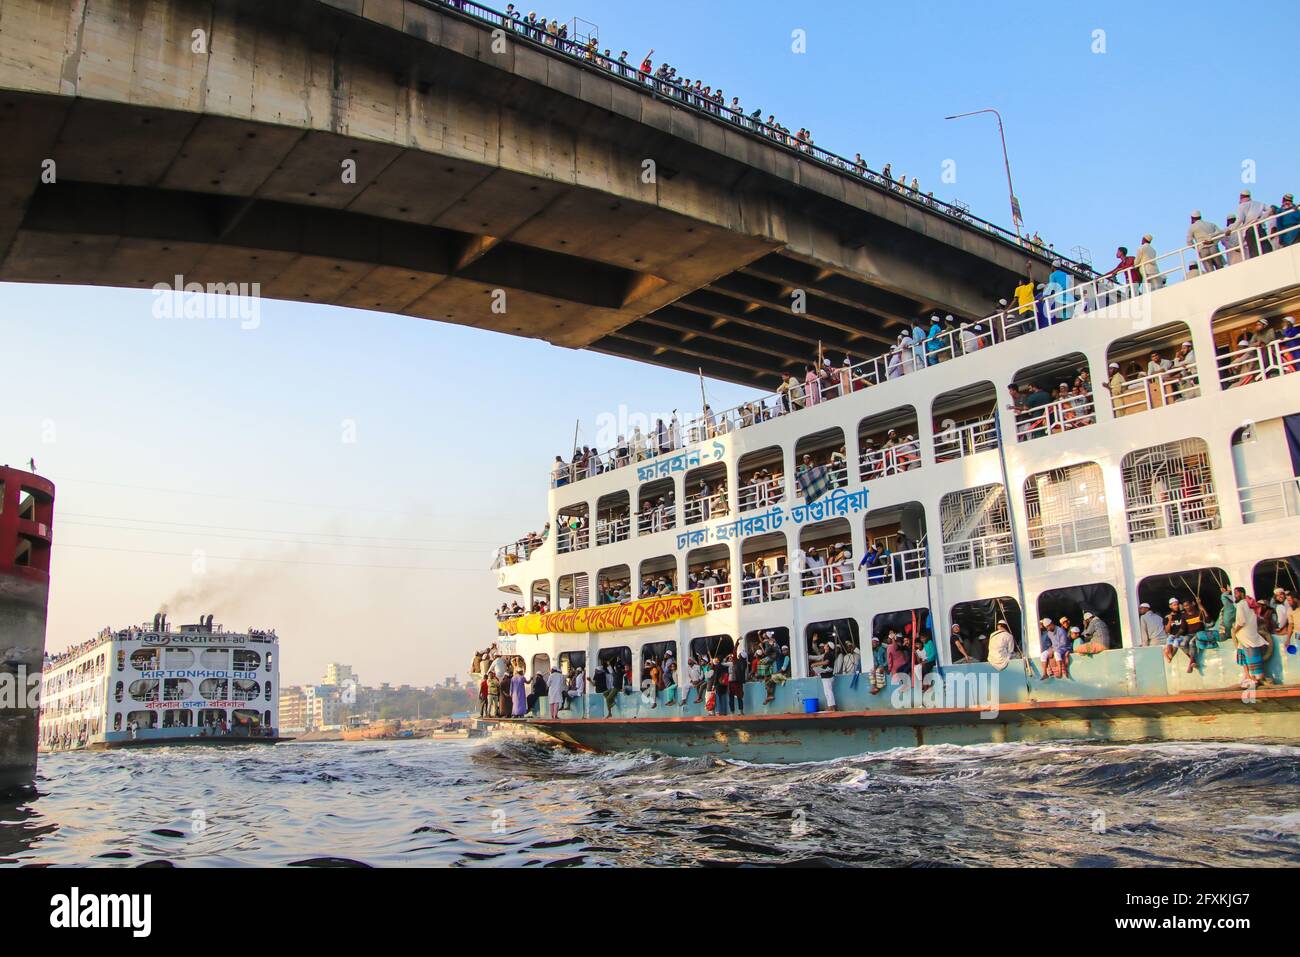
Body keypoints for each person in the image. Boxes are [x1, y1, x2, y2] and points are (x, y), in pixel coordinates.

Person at [1231, 587, 1269, 687]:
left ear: (1242, 594)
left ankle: (1255, 678)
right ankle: (1249, 677)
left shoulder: (1241, 605)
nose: (1235, 595)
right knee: (1244, 655)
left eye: (1236, 593)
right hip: (1249, 633)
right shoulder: (1250, 604)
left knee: (1250, 656)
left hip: (1245, 635)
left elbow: (1241, 621)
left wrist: (1234, 631)